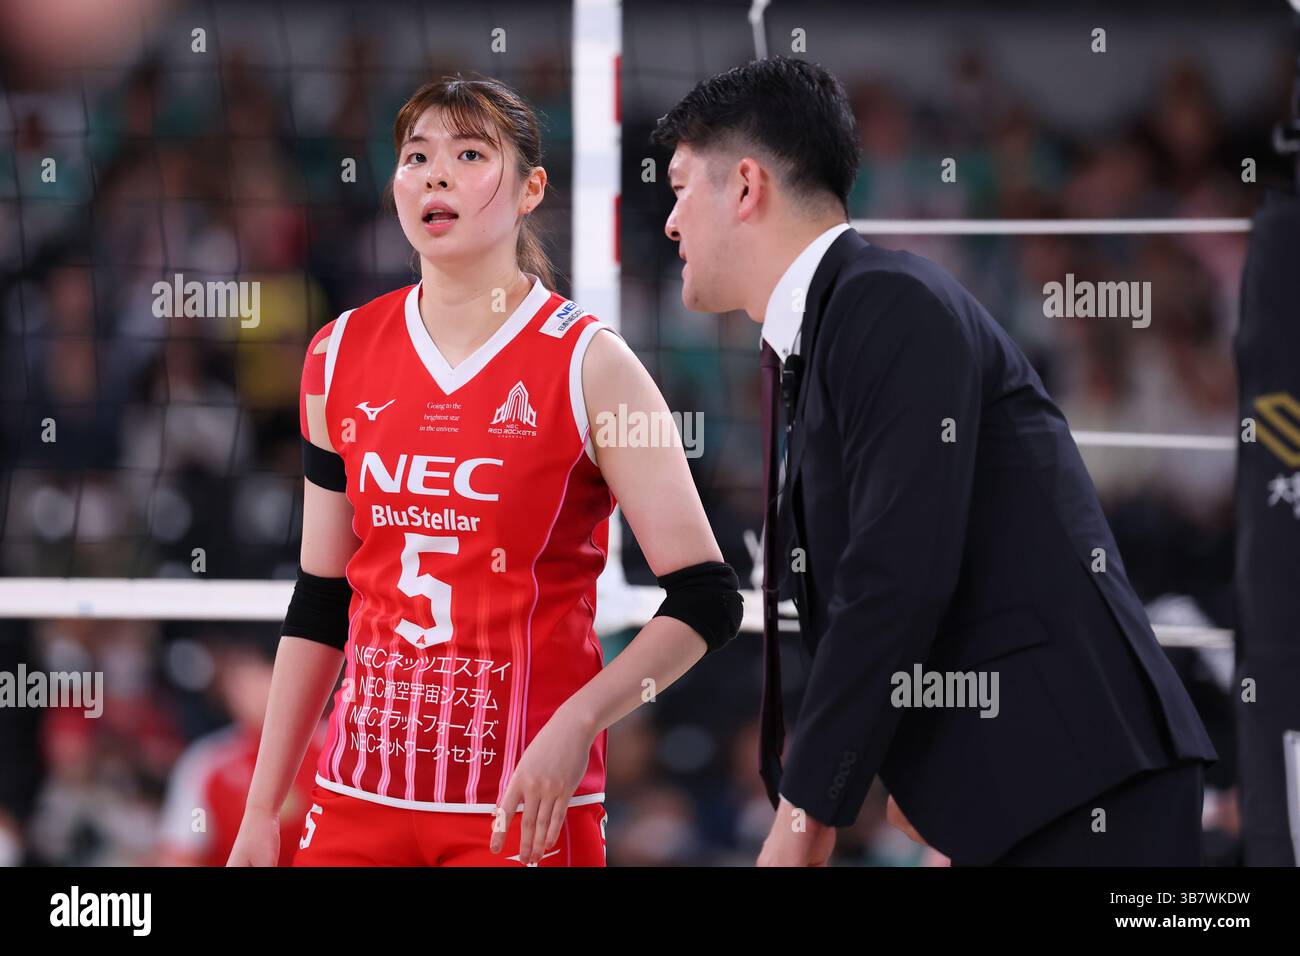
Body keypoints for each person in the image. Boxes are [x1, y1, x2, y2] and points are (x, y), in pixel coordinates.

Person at [652, 56, 1217, 866]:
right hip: (1024, 790)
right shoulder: (841, 322)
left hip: (1086, 783)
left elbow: (897, 574)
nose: (669, 223)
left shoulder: (887, 303)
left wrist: (804, 818)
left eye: (679, 188)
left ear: (745, 187)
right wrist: (930, 778)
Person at [227, 74, 742, 867]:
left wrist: (581, 721)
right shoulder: (336, 355)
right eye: (416, 156)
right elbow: (322, 598)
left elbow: (708, 598)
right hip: (355, 797)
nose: (435, 174)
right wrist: (264, 810)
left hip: (520, 807)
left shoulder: (590, 364)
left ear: (532, 188)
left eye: (470, 154)